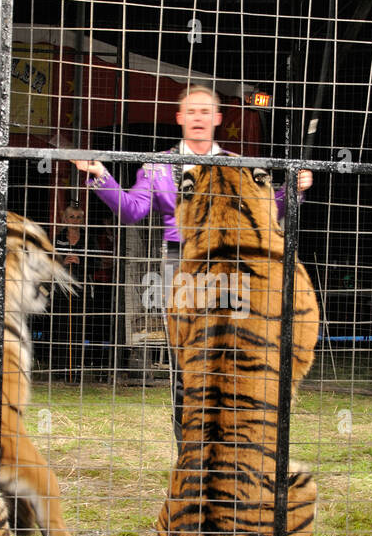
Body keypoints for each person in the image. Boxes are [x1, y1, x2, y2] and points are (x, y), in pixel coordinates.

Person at [69, 84, 312, 440]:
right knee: (187, 356)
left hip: (229, 265)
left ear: (217, 118)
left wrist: (294, 191)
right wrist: (100, 174)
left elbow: (268, 209)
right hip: (180, 263)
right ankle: (189, 441)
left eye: (205, 112)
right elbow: (133, 210)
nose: (198, 118)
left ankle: (230, 437)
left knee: (231, 351)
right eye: (191, 112)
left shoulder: (239, 166)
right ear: (181, 118)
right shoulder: (158, 165)